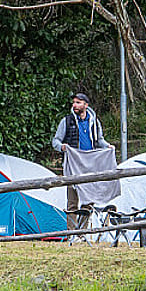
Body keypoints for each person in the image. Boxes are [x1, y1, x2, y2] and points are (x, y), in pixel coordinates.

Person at [52, 92, 113, 229]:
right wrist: (62, 147)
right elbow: (55, 140)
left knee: (89, 200)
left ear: (86, 105)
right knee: (72, 201)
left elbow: (99, 140)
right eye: (74, 102)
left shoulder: (94, 121)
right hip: (73, 165)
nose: (75, 105)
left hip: (90, 165)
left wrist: (107, 146)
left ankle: (82, 231)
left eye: (78, 102)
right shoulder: (66, 121)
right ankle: (71, 232)